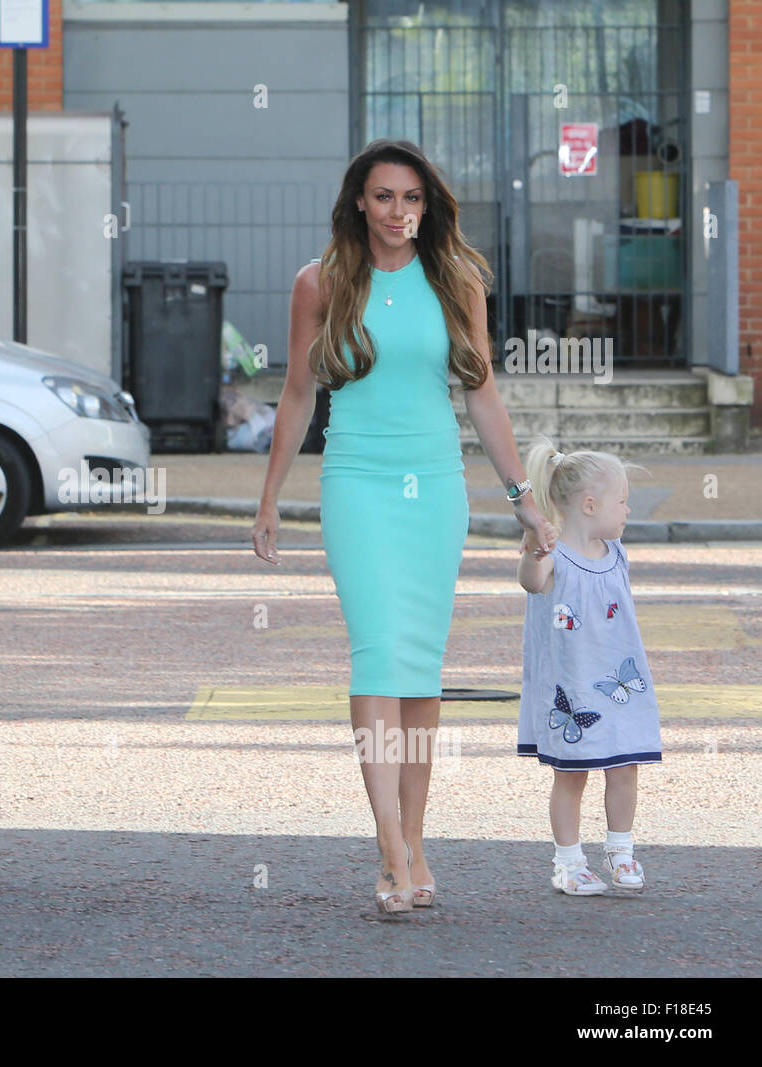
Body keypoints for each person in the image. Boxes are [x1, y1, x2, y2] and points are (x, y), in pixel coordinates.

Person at [251, 139, 555, 914]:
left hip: (436, 492)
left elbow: (482, 394)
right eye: (384, 197)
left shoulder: (455, 282)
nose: (398, 212)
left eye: (411, 198)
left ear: (428, 205)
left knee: (419, 671)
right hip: (357, 483)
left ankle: (415, 840)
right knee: (378, 655)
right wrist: (269, 496)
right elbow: (295, 394)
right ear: (359, 200)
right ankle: (389, 845)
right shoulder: (319, 283)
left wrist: (520, 493)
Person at [516, 437, 661, 895]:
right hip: (572, 688)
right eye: (622, 501)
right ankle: (568, 862)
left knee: (626, 765)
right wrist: (531, 548)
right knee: (571, 772)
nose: (628, 511)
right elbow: (530, 582)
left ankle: (621, 850)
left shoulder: (617, 554)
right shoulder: (554, 558)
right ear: (591, 505)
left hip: (622, 682)